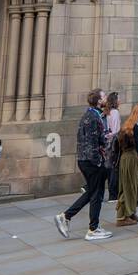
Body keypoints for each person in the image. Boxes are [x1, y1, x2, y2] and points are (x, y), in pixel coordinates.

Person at [55, 90, 112, 241]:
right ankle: (91, 229)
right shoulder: (93, 117)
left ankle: (69, 218)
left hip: (86, 160)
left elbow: (95, 139)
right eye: (104, 96)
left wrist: (105, 138)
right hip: (91, 161)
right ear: (99, 101)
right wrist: (99, 161)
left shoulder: (92, 115)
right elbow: (92, 142)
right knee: (96, 194)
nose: (107, 98)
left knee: (93, 192)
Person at [114, 104, 138, 226]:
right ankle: (121, 217)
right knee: (128, 187)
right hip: (130, 158)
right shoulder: (133, 126)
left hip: (130, 157)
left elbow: (133, 143)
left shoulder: (131, 125)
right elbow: (137, 148)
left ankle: (130, 211)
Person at [104, 92, 122, 202]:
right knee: (114, 169)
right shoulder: (115, 112)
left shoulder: (107, 112)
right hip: (113, 144)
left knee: (109, 168)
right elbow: (115, 131)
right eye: (119, 99)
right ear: (115, 100)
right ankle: (113, 195)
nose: (120, 100)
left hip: (107, 144)